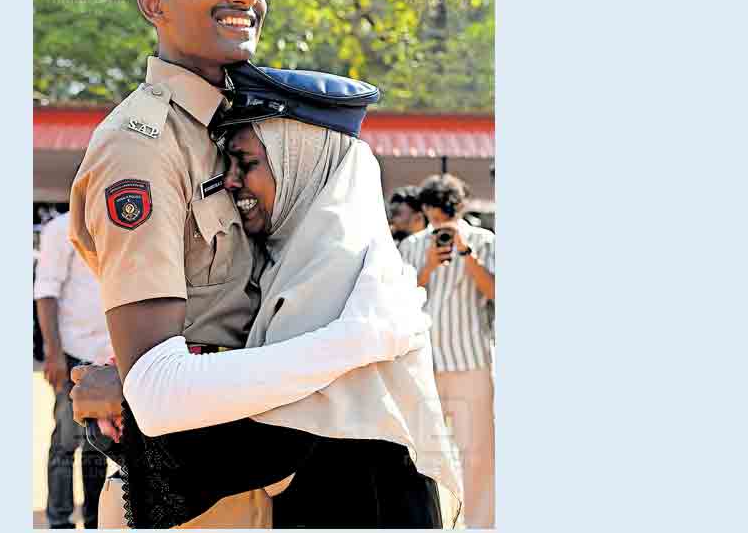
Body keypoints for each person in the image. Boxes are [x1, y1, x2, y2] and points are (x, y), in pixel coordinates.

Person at [66, 0, 430, 528]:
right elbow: (156, 382)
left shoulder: (256, 129)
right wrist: (126, 387)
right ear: (154, 2)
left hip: (275, 478)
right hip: (195, 494)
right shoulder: (143, 144)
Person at [72, 60, 464, 529]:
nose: (232, 180)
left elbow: (269, 443)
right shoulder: (296, 256)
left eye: (248, 163)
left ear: (302, 163)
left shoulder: (338, 260)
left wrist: (130, 401)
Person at [398, 173, 497, 528]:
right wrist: (426, 265)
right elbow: (397, 298)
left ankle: (482, 525)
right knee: (422, 453)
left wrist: (467, 255)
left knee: (480, 455)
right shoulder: (410, 246)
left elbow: (495, 292)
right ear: (425, 209)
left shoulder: (484, 241)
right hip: (423, 363)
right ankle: (430, 521)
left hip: (471, 362)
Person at [35, 212, 114, 528]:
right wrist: (53, 353)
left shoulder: (115, 223)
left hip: (107, 356)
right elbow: (46, 292)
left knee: (99, 443)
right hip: (70, 356)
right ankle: (60, 521)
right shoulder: (60, 229)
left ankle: (95, 521)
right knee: (66, 442)